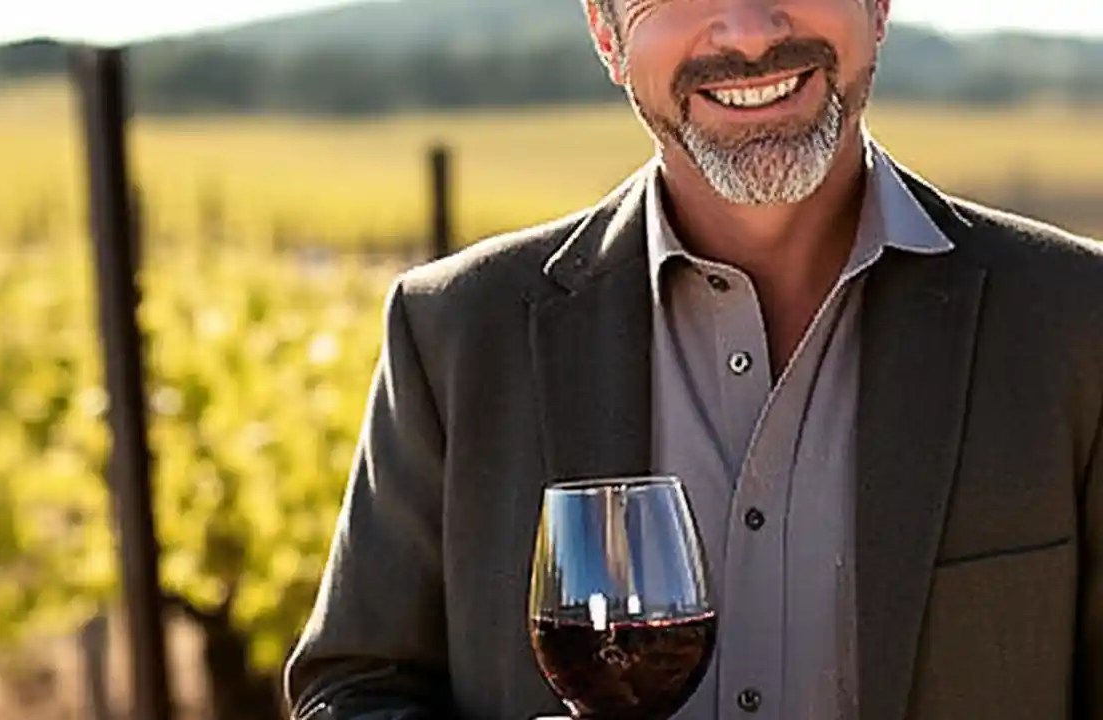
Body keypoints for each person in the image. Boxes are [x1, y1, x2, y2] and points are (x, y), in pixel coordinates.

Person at [284, 0, 1103, 717]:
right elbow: (357, 687)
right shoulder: (456, 332)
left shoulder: (1077, 322)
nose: (748, 32)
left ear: (879, 5)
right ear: (606, 33)